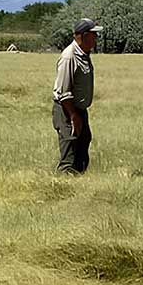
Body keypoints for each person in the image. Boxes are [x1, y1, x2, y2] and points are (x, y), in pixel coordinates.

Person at [52, 18, 101, 173]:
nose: (96, 38)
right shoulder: (69, 57)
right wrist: (74, 116)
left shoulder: (84, 54)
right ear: (84, 35)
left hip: (79, 110)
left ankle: (79, 185)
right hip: (67, 111)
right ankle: (60, 188)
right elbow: (63, 92)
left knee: (83, 147)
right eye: (94, 34)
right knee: (69, 151)